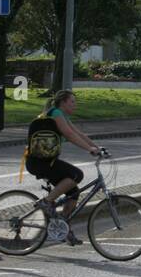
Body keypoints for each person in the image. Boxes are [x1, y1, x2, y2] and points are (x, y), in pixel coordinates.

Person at [23, 90, 106, 246]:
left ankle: (63, 228)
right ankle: (47, 202)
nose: (75, 105)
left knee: (73, 192)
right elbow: (69, 134)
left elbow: (78, 133)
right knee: (76, 175)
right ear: (63, 103)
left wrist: (97, 147)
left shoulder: (61, 115)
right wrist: (89, 150)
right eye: (72, 102)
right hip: (40, 162)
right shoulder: (55, 113)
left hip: (46, 161)